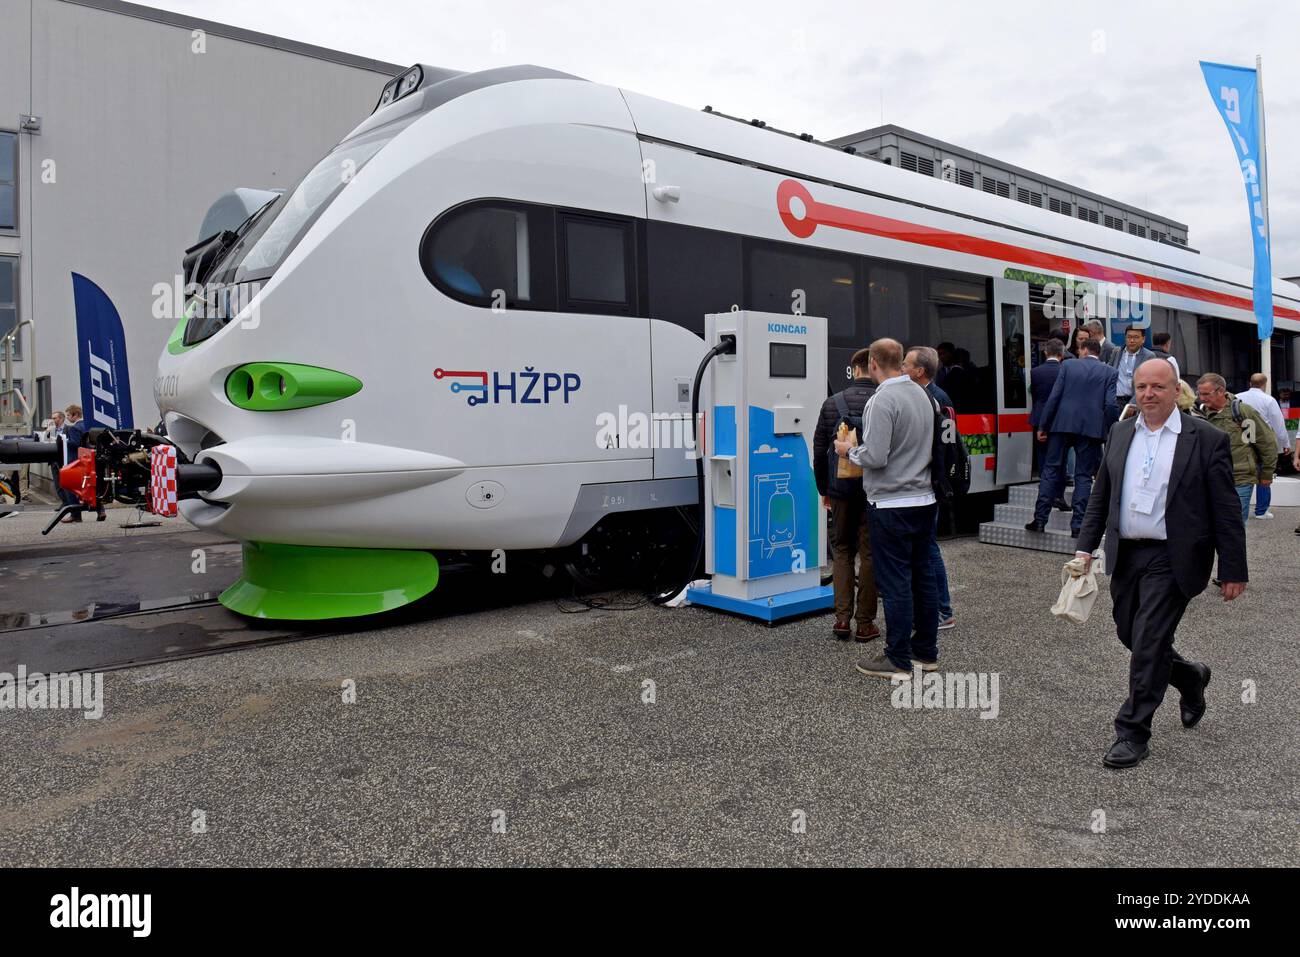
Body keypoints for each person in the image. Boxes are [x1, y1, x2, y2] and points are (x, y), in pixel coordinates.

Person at [1075, 359, 1247, 769]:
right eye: (1141, 386)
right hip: (1127, 553)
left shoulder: (1205, 438)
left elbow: (1225, 508)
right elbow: (1103, 495)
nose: (1148, 394)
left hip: (1175, 556)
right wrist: (1085, 548)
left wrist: (1234, 569)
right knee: (1130, 633)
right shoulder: (1119, 432)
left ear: (1175, 392)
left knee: (1149, 639)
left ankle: (1132, 732)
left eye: (1157, 387)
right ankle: (1189, 675)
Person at [837, 338, 939, 680]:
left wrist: (847, 451)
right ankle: (925, 651)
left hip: (891, 503)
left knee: (895, 583)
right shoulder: (924, 395)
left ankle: (897, 659)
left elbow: (875, 456)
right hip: (924, 500)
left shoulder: (883, 400)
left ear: (873, 364)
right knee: (923, 578)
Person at [814, 349, 880, 642]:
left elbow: (818, 452)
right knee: (869, 554)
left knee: (842, 550)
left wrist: (823, 490)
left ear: (854, 369)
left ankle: (842, 620)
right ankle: (865, 624)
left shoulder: (832, 403)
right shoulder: (883, 401)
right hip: (874, 488)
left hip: (839, 489)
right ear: (873, 368)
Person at [1027, 338, 1118, 536]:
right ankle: (1078, 526)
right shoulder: (1110, 372)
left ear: (1084, 350)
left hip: (1062, 425)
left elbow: (1054, 397)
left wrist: (1044, 425)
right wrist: (1110, 428)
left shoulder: (1067, 365)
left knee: (1051, 470)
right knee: (1083, 476)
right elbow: (1111, 404)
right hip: (1091, 429)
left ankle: (1040, 520)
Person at [903, 346, 956, 630]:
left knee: (929, 549)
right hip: (923, 484)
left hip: (930, 486)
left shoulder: (937, 398)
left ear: (919, 371)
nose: (901, 368)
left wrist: (937, 481)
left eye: (906, 364)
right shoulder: (924, 394)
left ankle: (943, 611)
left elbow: (946, 447)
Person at [1195, 374, 1277, 525]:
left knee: (1235, 526)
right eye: (1199, 393)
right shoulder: (1198, 413)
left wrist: (1267, 472)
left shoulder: (1241, 413)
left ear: (1220, 391)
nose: (1202, 398)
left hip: (1239, 479)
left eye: (1206, 394)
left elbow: (1265, 442)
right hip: (1208, 479)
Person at [1237, 373, 1291, 520]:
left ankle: (1240, 508)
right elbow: (1278, 424)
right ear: (1264, 384)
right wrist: (1285, 443)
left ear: (1250, 383)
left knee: (1241, 474)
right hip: (1262, 441)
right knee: (1264, 474)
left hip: (1241, 440)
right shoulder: (1268, 400)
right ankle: (1261, 510)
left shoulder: (1237, 397)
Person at [62, 405, 107, 523]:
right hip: (93, 460)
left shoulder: (74, 428)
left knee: (71, 487)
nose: (67, 418)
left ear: (75, 415)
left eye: (68, 415)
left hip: (79, 461)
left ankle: (75, 515)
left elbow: (75, 444)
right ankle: (100, 510)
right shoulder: (89, 425)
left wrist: (65, 440)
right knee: (93, 486)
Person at [1110, 326, 1157, 411]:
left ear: (1143, 339)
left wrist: (1133, 404)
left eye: (1136, 337)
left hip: (1135, 402)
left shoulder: (1149, 356)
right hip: (1115, 401)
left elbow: (1148, 383)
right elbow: (1109, 372)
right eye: (1129, 337)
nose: (1131, 340)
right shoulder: (1117, 352)